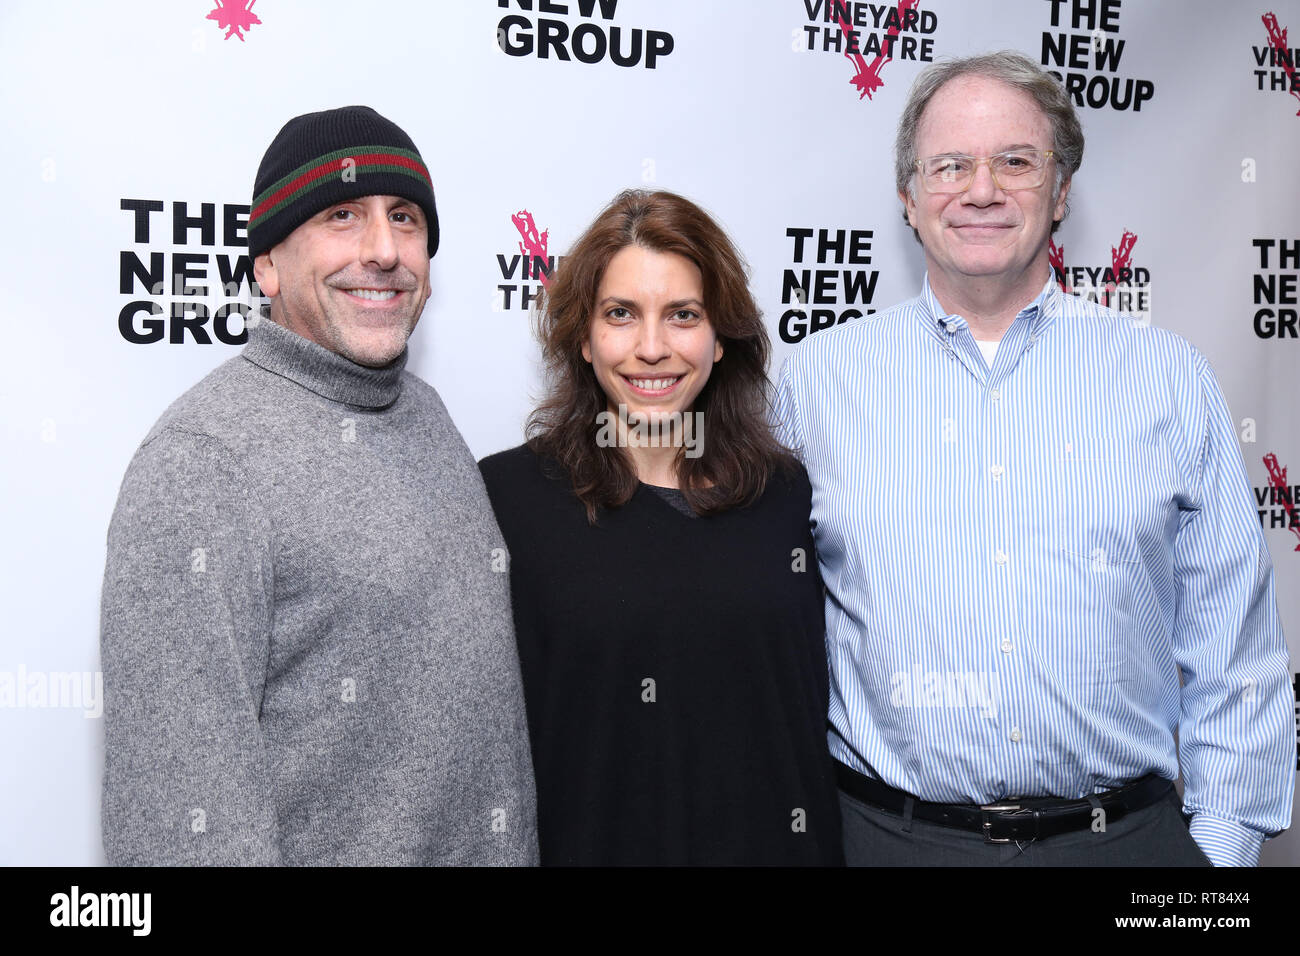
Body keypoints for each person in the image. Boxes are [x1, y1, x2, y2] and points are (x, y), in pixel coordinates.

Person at [773, 51, 1292, 867]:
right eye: (950, 165)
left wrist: (1218, 860)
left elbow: (1236, 646)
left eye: (1017, 161)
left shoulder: (1166, 377)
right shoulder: (812, 386)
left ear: (1061, 191)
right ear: (909, 197)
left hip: (1127, 846)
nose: (982, 190)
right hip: (886, 843)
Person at [100, 106, 538, 866]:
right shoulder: (202, 462)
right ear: (265, 264)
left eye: (405, 219)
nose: (384, 251)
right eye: (342, 216)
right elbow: (181, 827)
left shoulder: (425, 414)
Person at [479, 189, 843, 865]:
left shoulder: (789, 493)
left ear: (719, 337)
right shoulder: (508, 499)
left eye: (682, 315)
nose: (652, 349)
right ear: (584, 339)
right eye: (621, 314)